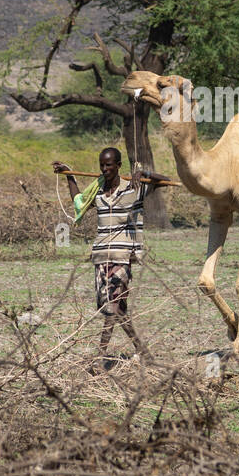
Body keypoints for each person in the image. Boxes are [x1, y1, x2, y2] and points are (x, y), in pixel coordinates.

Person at [51, 148, 169, 371]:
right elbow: (78, 201)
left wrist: (144, 172)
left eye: (109, 165)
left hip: (124, 256)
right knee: (114, 307)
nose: (105, 169)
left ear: (118, 165)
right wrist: (69, 175)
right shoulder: (97, 190)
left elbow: (165, 180)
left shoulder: (134, 187)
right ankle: (143, 352)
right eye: (102, 165)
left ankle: (100, 357)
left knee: (113, 306)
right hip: (100, 256)